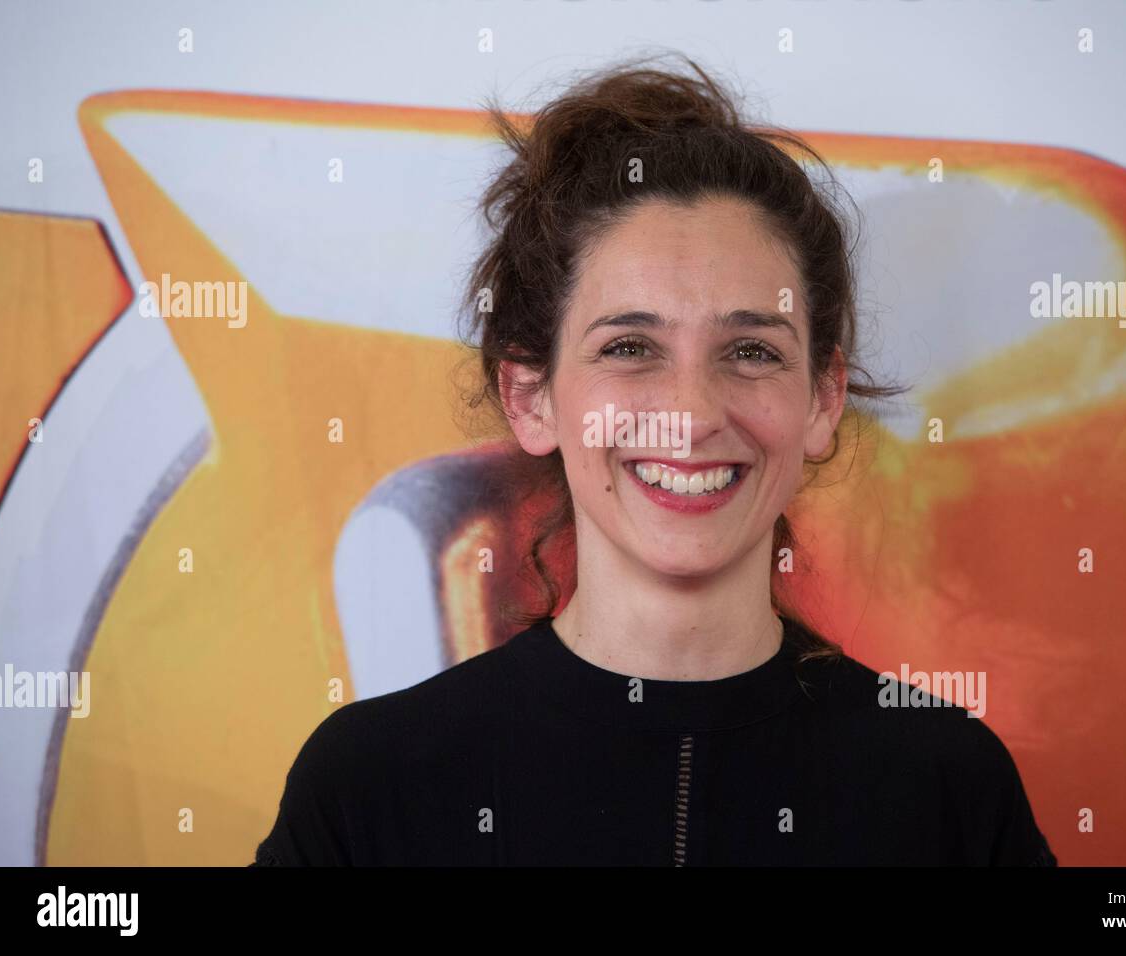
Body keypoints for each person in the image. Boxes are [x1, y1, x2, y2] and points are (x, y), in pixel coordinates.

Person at [252, 52, 1057, 867]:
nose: (693, 414)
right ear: (533, 397)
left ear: (821, 399)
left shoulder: (951, 788)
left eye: (750, 350)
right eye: (630, 346)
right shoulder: (368, 788)